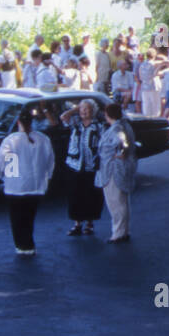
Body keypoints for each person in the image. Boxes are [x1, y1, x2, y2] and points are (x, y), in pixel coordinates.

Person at [0, 109, 55, 255]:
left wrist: (4, 176)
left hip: (16, 187)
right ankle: (29, 243)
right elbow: (49, 162)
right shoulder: (43, 139)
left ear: (18, 122)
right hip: (36, 186)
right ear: (32, 122)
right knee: (29, 216)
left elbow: (2, 161)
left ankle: (21, 245)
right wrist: (47, 178)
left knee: (17, 218)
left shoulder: (11, 140)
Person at [61, 99, 107, 236]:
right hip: (74, 165)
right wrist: (75, 109)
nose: (83, 111)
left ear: (93, 111)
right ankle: (77, 224)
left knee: (91, 196)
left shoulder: (99, 126)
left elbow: (103, 145)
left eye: (86, 109)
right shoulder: (76, 123)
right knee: (75, 195)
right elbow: (63, 117)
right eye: (82, 109)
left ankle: (89, 224)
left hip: (91, 167)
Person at [96, 103, 137, 243]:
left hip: (114, 169)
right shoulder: (124, 125)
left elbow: (121, 140)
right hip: (121, 168)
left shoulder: (117, 128)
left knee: (116, 202)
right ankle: (122, 230)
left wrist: (121, 152)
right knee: (122, 201)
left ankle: (119, 233)